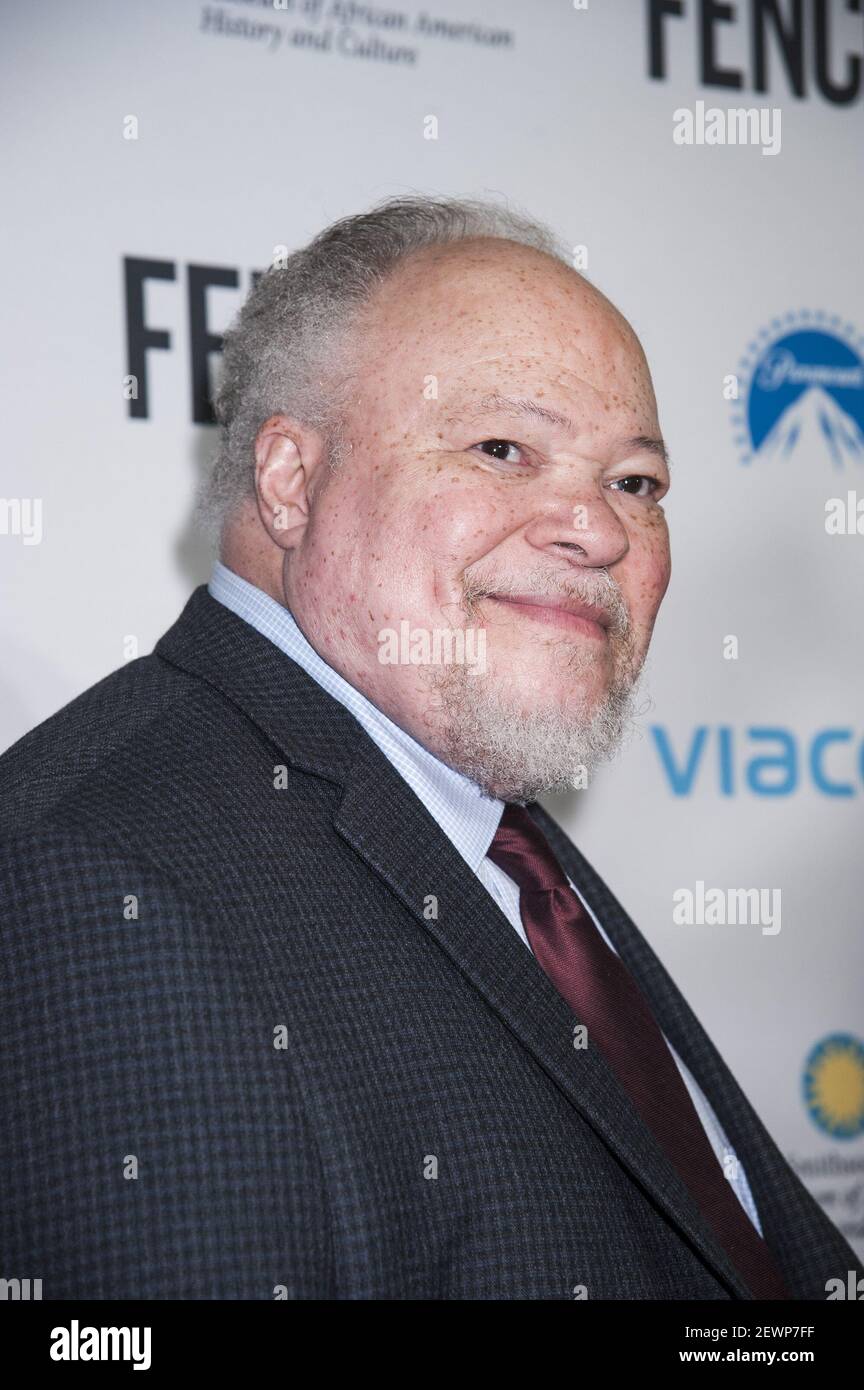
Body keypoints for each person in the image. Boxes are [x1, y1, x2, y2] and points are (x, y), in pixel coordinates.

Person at [1, 196, 858, 1299]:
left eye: (635, 483)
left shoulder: (488, 824)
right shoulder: (92, 883)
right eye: (502, 449)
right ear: (290, 481)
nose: (600, 529)